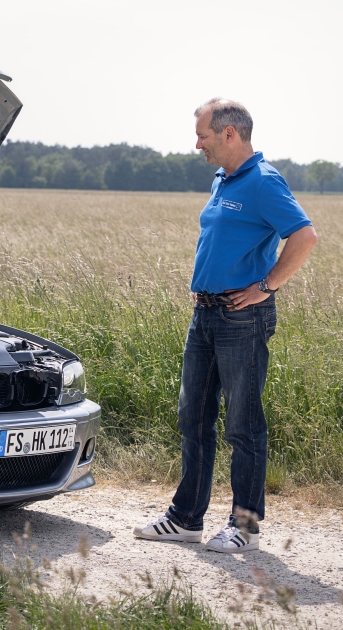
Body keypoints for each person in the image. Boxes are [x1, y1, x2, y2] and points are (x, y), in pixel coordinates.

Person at [133, 98, 317, 553]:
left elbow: (305, 236)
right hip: (206, 315)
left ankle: (245, 527)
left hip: (243, 318)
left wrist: (267, 286)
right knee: (193, 417)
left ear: (229, 133)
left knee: (242, 425)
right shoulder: (222, 179)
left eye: (203, 135)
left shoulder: (263, 181)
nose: (198, 144)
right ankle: (186, 519)